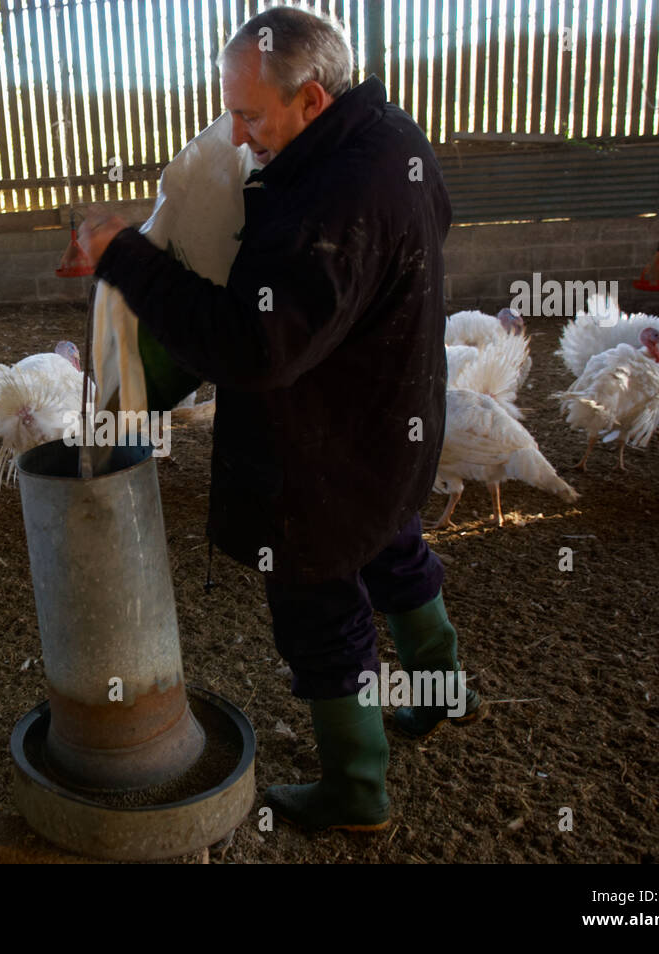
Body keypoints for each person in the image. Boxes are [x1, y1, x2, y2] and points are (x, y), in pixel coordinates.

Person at [79, 6, 483, 832]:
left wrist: (127, 255)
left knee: (320, 610)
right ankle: (442, 693)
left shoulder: (329, 201)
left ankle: (356, 792)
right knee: (395, 547)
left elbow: (254, 347)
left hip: (322, 456)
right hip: (391, 428)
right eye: (231, 110)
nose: (236, 134)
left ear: (314, 102)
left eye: (252, 115)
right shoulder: (394, 139)